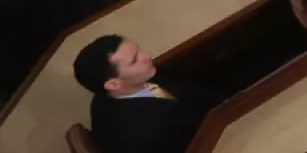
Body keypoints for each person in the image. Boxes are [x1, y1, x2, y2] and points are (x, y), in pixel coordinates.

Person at [73, 34, 210, 153]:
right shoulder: (145, 135)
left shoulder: (112, 92)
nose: (148, 55)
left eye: (139, 50)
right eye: (134, 61)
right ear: (113, 84)